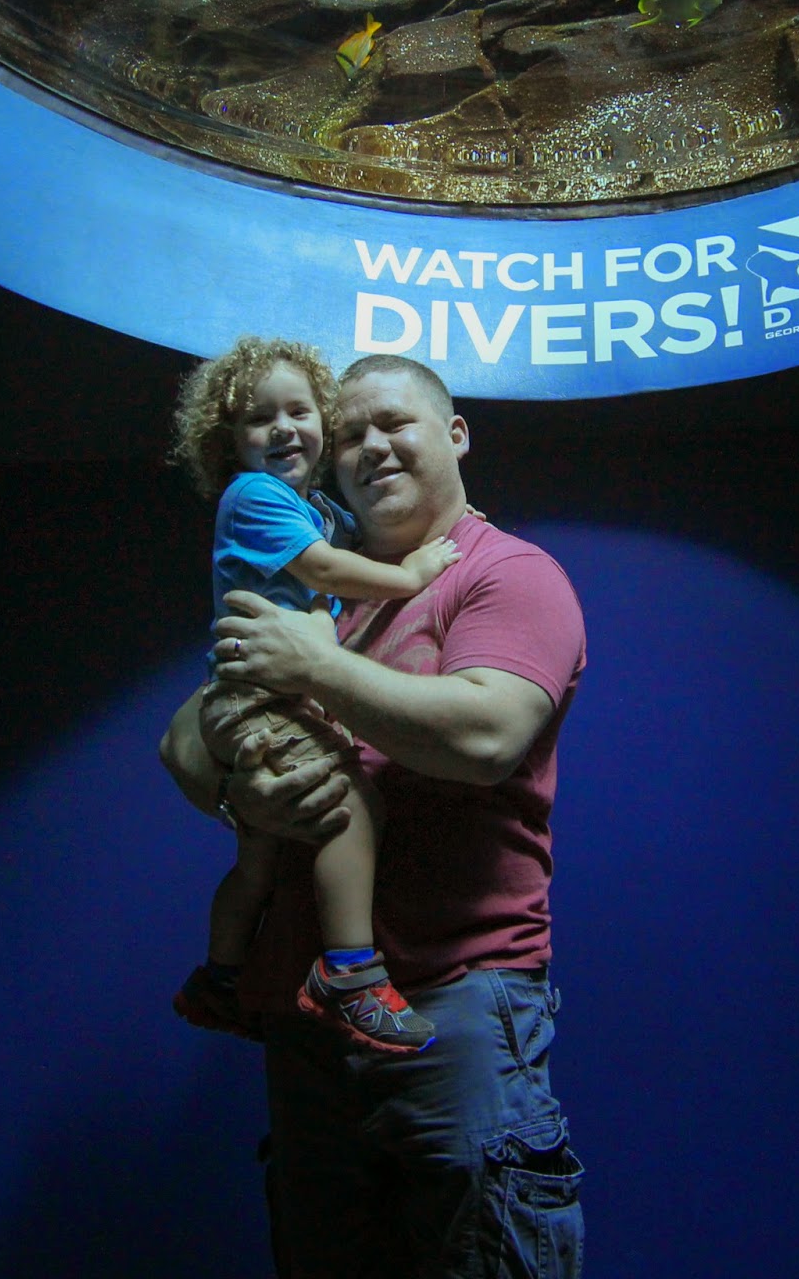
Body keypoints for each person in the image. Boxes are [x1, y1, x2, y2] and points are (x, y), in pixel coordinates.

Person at [160, 354, 587, 1278]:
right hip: (306, 1027)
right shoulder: (319, 592)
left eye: (393, 422)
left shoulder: (507, 575)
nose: (367, 445)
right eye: (347, 432)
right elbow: (184, 741)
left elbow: (484, 736)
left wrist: (313, 669)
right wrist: (243, 790)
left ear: (456, 433)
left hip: (452, 1003)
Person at [169, 335, 461, 1054]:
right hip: (258, 697)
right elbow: (327, 570)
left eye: (299, 412)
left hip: (266, 696)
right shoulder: (258, 496)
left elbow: (344, 542)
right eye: (258, 420)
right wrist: (415, 572)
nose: (282, 429)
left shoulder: (317, 508)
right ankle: (352, 976)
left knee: (258, 864)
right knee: (351, 805)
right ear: (228, 443)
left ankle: (221, 977)